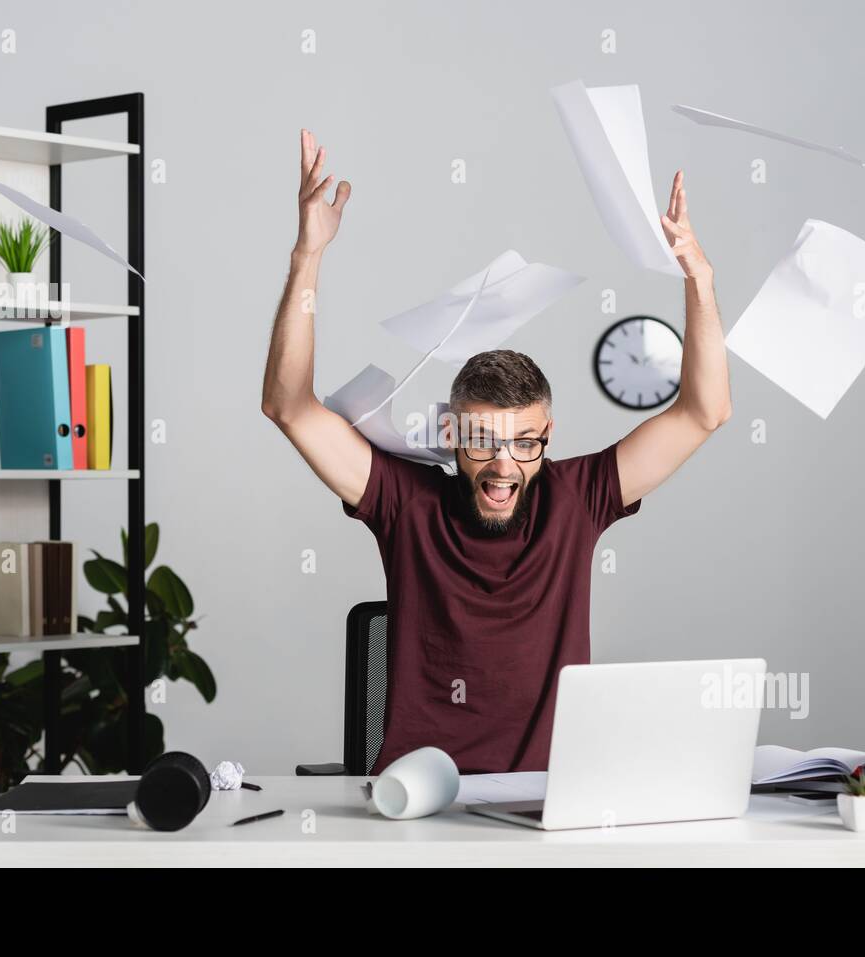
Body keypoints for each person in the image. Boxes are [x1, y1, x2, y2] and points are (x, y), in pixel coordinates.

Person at [262, 130, 731, 773]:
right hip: (417, 801)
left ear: (547, 438)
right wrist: (306, 254)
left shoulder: (580, 498)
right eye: (483, 442)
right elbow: (289, 407)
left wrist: (700, 280)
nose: (505, 464)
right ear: (451, 436)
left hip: (546, 800)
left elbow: (705, 411)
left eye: (523, 442)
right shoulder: (404, 502)